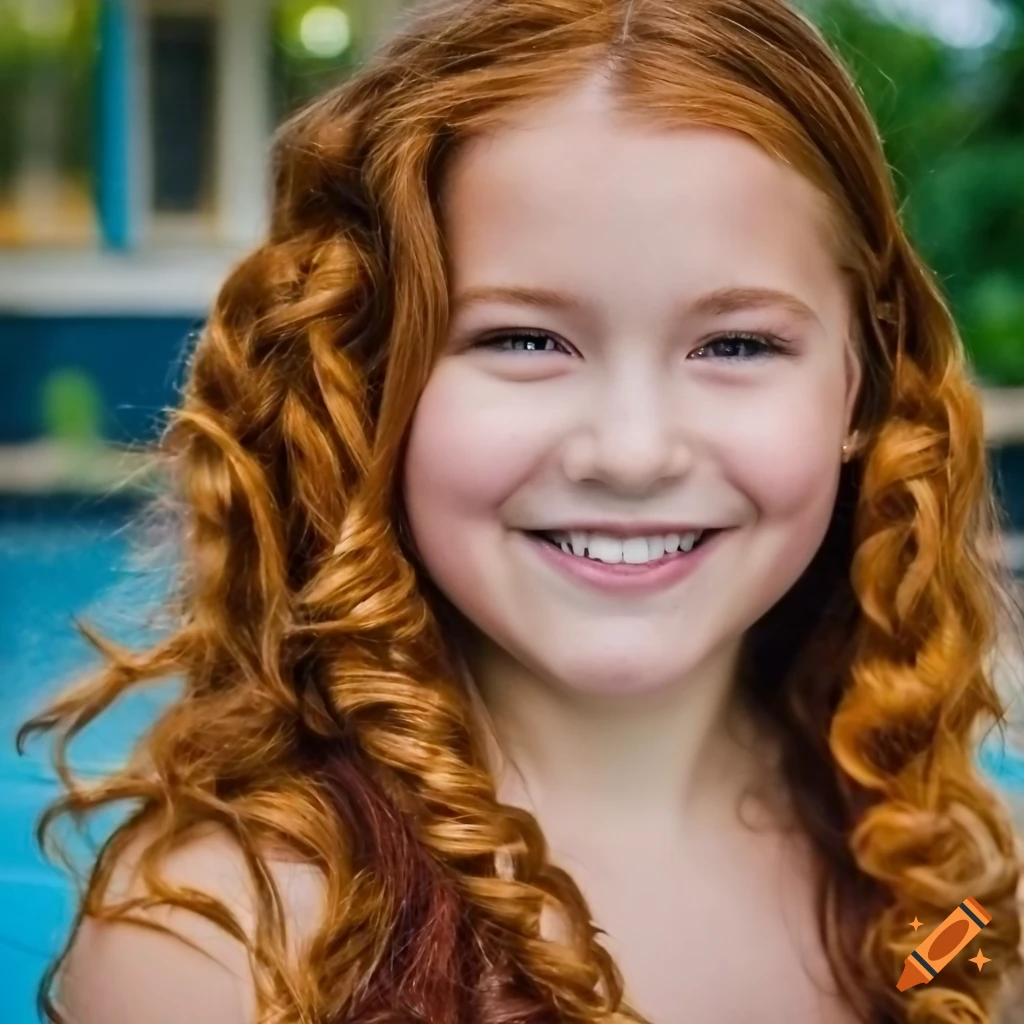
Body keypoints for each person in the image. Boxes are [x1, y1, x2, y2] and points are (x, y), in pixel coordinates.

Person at [18, 0, 1024, 1021]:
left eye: (736, 345)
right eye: (525, 340)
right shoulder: (231, 948)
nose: (632, 452)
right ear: (368, 383)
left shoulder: (946, 888)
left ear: (861, 384)